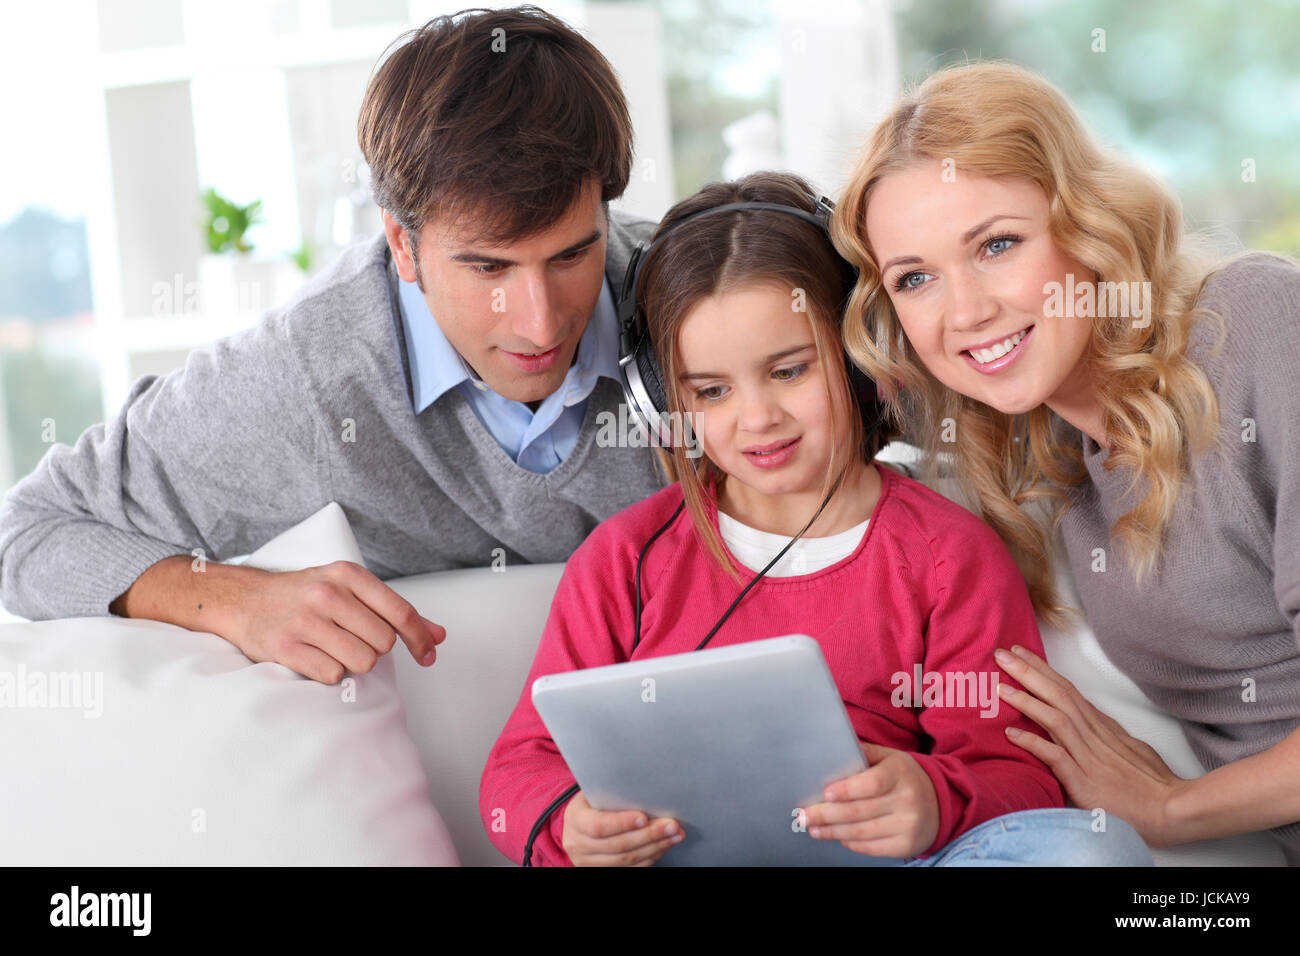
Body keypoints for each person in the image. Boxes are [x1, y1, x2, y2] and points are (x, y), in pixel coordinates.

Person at [479, 171, 1154, 866]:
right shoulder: (626, 558)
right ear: (663, 402)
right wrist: (569, 823)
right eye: (711, 391)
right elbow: (517, 771)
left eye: (789, 371)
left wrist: (931, 795)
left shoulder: (950, 556)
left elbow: (1017, 777)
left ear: (862, 358)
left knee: (1082, 851)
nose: (757, 418)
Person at [0, 7, 669, 684]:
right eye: (489, 268)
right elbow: (26, 534)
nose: (541, 323)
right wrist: (235, 601)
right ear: (403, 244)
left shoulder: (693, 308)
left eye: (571, 255)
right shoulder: (309, 373)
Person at [831, 61, 1300, 863]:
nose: (966, 312)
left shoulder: (1257, 322)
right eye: (916, 279)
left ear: (1090, 222)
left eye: (998, 244)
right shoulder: (1047, 452)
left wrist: (1170, 808)